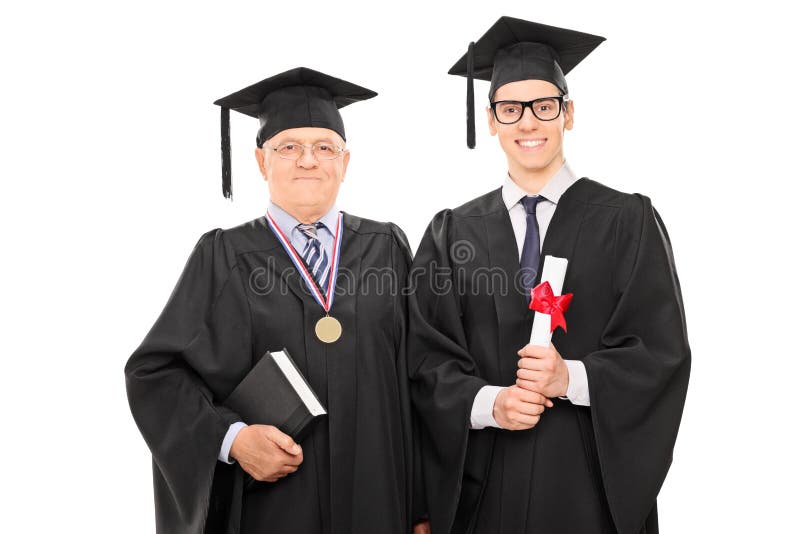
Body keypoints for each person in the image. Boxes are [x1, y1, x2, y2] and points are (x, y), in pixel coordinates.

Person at [408, 17, 690, 534]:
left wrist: (572, 378)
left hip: (586, 490)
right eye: (510, 109)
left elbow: (660, 353)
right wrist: (490, 403)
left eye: (544, 106)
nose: (528, 123)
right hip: (485, 489)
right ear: (491, 120)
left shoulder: (626, 220)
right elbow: (425, 362)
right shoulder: (452, 233)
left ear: (569, 113)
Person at [125, 67, 426, 534]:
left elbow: (421, 380)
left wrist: (421, 511)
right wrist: (234, 439)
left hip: (378, 502)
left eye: (324, 147)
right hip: (273, 511)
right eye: (288, 147)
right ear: (262, 162)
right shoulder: (223, 255)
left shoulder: (387, 248)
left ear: (345, 162)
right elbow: (155, 375)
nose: (308, 160)